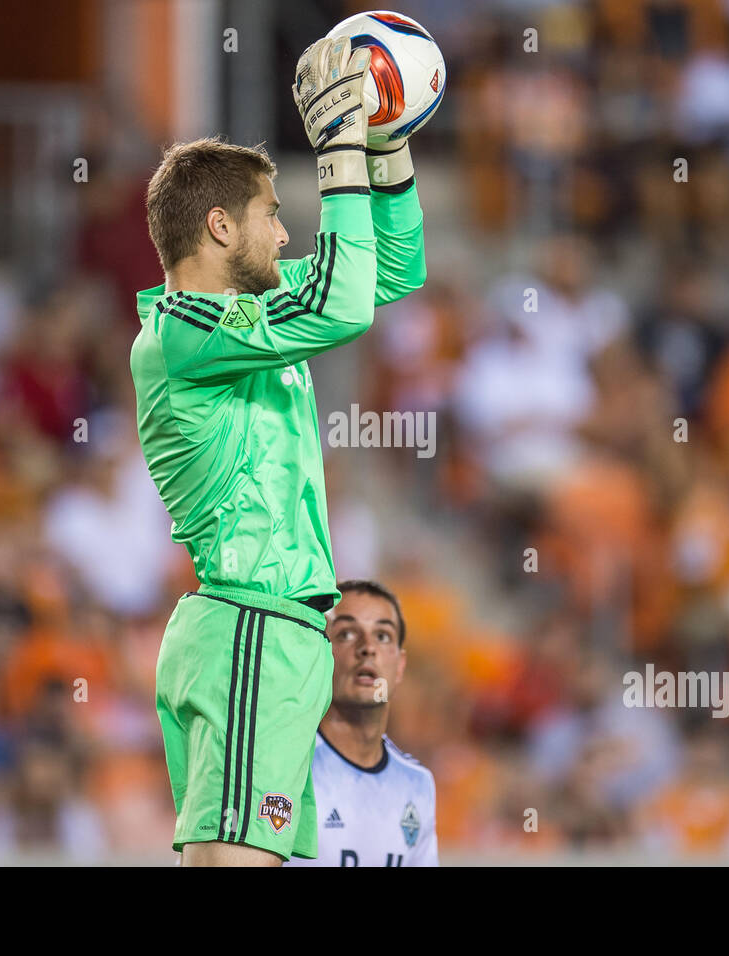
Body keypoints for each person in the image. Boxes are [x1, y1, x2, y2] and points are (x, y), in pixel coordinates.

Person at [129, 36, 426, 866]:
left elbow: (387, 274)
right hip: (248, 627)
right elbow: (346, 306)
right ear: (220, 225)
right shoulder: (185, 326)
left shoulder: (243, 315)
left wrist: (383, 139)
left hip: (274, 637)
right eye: (272, 215)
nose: (287, 229)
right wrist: (333, 155)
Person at [287, 580, 438, 867]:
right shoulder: (283, 767)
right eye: (346, 633)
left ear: (400, 665)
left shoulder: (417, 785)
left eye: (382, 636)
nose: (367, 648)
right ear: (318, 652)